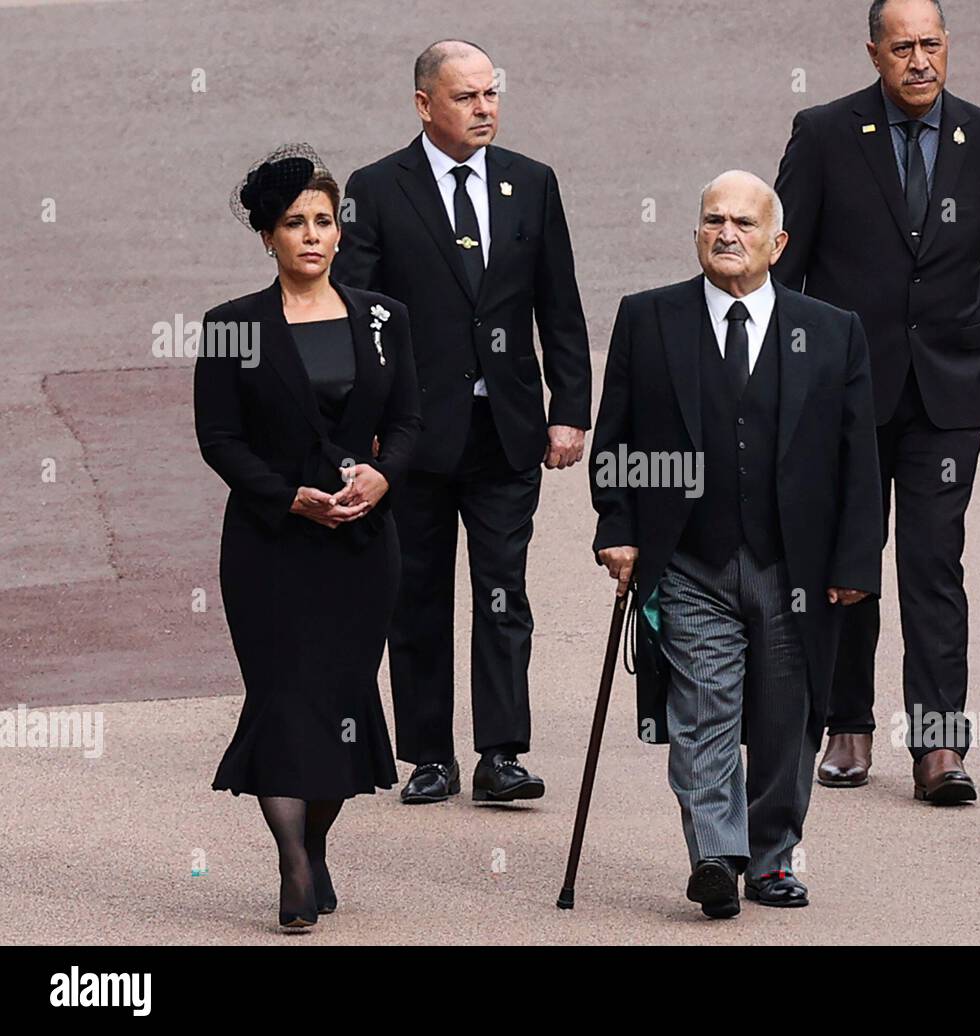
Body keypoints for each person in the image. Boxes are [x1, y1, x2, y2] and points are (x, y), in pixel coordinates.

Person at [590, 171, 882, 918]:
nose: (727, 233)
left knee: (788, 717)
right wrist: (617, 528)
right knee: (702, 709)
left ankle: (773, 856)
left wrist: (856, 562)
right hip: (691, 560)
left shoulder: (832, 330)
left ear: (777, 243)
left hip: (796, 567)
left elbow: (859, 459)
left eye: (744, 223)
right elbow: (615, 438)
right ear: (695, 233)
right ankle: (717, 856)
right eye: (713, 220)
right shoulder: (648, 318)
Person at [773, 0, 980, 803]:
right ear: (873, 53)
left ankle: (939, 745)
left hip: (950, 392)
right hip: (844, 393)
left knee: (934, 564)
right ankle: (847, 725)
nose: (919, 61)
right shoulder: (824, 133)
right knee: (848, 560)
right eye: (902, 48)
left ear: (947, 46)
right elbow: (785, 272)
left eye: (931, 45)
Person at [335, 40, 591, 806]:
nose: (484, 108)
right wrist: (363, 428)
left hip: (506, 430)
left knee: (504, 591)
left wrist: (569, 411)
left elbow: (560, 303)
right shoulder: (377, 188)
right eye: (466, 97)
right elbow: (355, 316)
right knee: (416, 593)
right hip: (412, 437)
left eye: (491, 93)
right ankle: (429, 756)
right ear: (425, 105)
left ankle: (501, 754)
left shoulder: (531, 182)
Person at [195, 144, 421, 929]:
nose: (313, 236)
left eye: (324, 221)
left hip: (361, 548)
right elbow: (219, 439)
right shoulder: (232, 326)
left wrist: (383, 478)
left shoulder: (384, 318)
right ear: (269, 237)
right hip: (270, 549)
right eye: (295, 223)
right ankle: (293, 865)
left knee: (342, 700)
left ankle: (314, 843)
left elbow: (410, 422)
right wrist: (289, 497)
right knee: (285, 699)